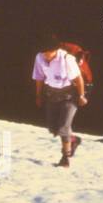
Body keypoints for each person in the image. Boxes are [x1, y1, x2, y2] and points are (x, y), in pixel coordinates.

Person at [32, 34, 87, 168]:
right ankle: (73, 140)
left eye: (48, 52)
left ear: (55, 50)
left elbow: (78, 79)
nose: (46, 55)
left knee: (63, 127)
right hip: (52, 94)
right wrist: (38, 96)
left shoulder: (67, 59)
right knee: (53, 128)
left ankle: (65, 158)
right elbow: (39, 78)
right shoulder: (39, 58)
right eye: (44, 52)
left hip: (69, 95)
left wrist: (81, 96)